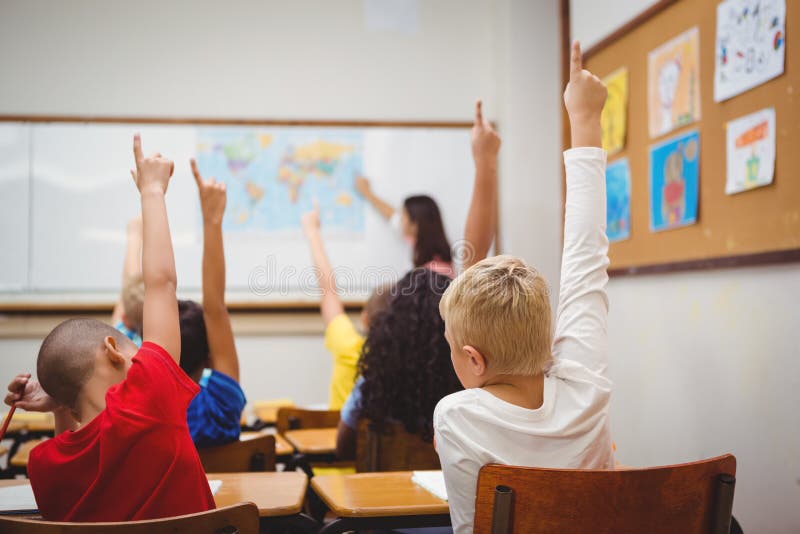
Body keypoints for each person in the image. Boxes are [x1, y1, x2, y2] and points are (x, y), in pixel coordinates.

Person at [433, 41, 614, 534]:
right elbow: (585, 254)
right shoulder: (584, 384)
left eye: (451, 348)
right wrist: (585, 121)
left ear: (474, 359)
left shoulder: (456, 415)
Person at [5, 135, 215, 521]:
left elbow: (71, 454)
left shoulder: (43, 465)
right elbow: (161, 284)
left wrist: (63, 401)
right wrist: (152, 190)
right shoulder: (150, 395)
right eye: (134, 347)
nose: (143, 353)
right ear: (113, 350)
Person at [335, 268, 461, 459]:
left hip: (382, 487)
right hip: (446, 488)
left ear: (392, 322)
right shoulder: (465, 388)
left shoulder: (374, 383)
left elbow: (343, 448)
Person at [301, 202, 393, 410]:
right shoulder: (411, 367)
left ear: (365, 318)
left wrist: (312, 232)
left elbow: (328, 290)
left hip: (343, 442)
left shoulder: (349, 348)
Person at [181, 159, 246, 448]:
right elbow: (214, 308)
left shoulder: (147, 412)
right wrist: (212, 221)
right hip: (225, 496)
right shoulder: (220, 405)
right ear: (209, 359)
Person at [355, 180, 455, 278]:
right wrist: (367, 193)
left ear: (414, 225)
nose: (400, 220)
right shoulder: (416, 245)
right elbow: (392, 215)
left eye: (403, 216)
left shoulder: (438, 272)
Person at [110, 217, 144, 347]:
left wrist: (134, 235)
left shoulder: (120, 339)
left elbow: (128, 286)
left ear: (125, 320)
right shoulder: (166, 344)